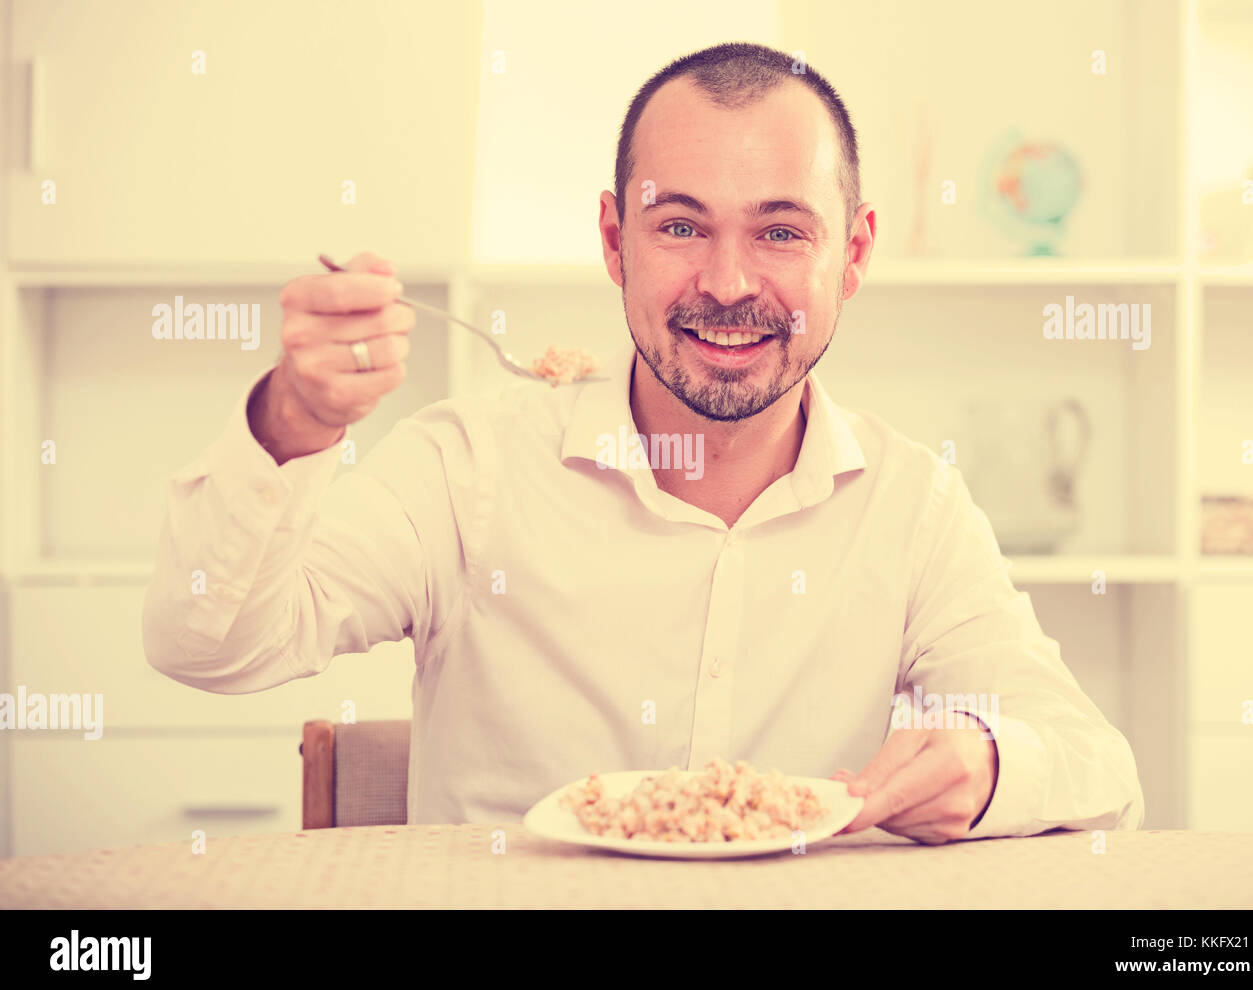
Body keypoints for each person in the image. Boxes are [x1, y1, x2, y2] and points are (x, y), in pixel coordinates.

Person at [143, 42, 1143, 844]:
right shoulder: (468, 467)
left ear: (854, 253)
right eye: (679, 227)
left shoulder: (911, 507)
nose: (726, 281)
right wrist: (294, 423)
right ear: (615, 242)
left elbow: (1095, 766)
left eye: (781, 231)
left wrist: (987, 765)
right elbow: (208, 646)